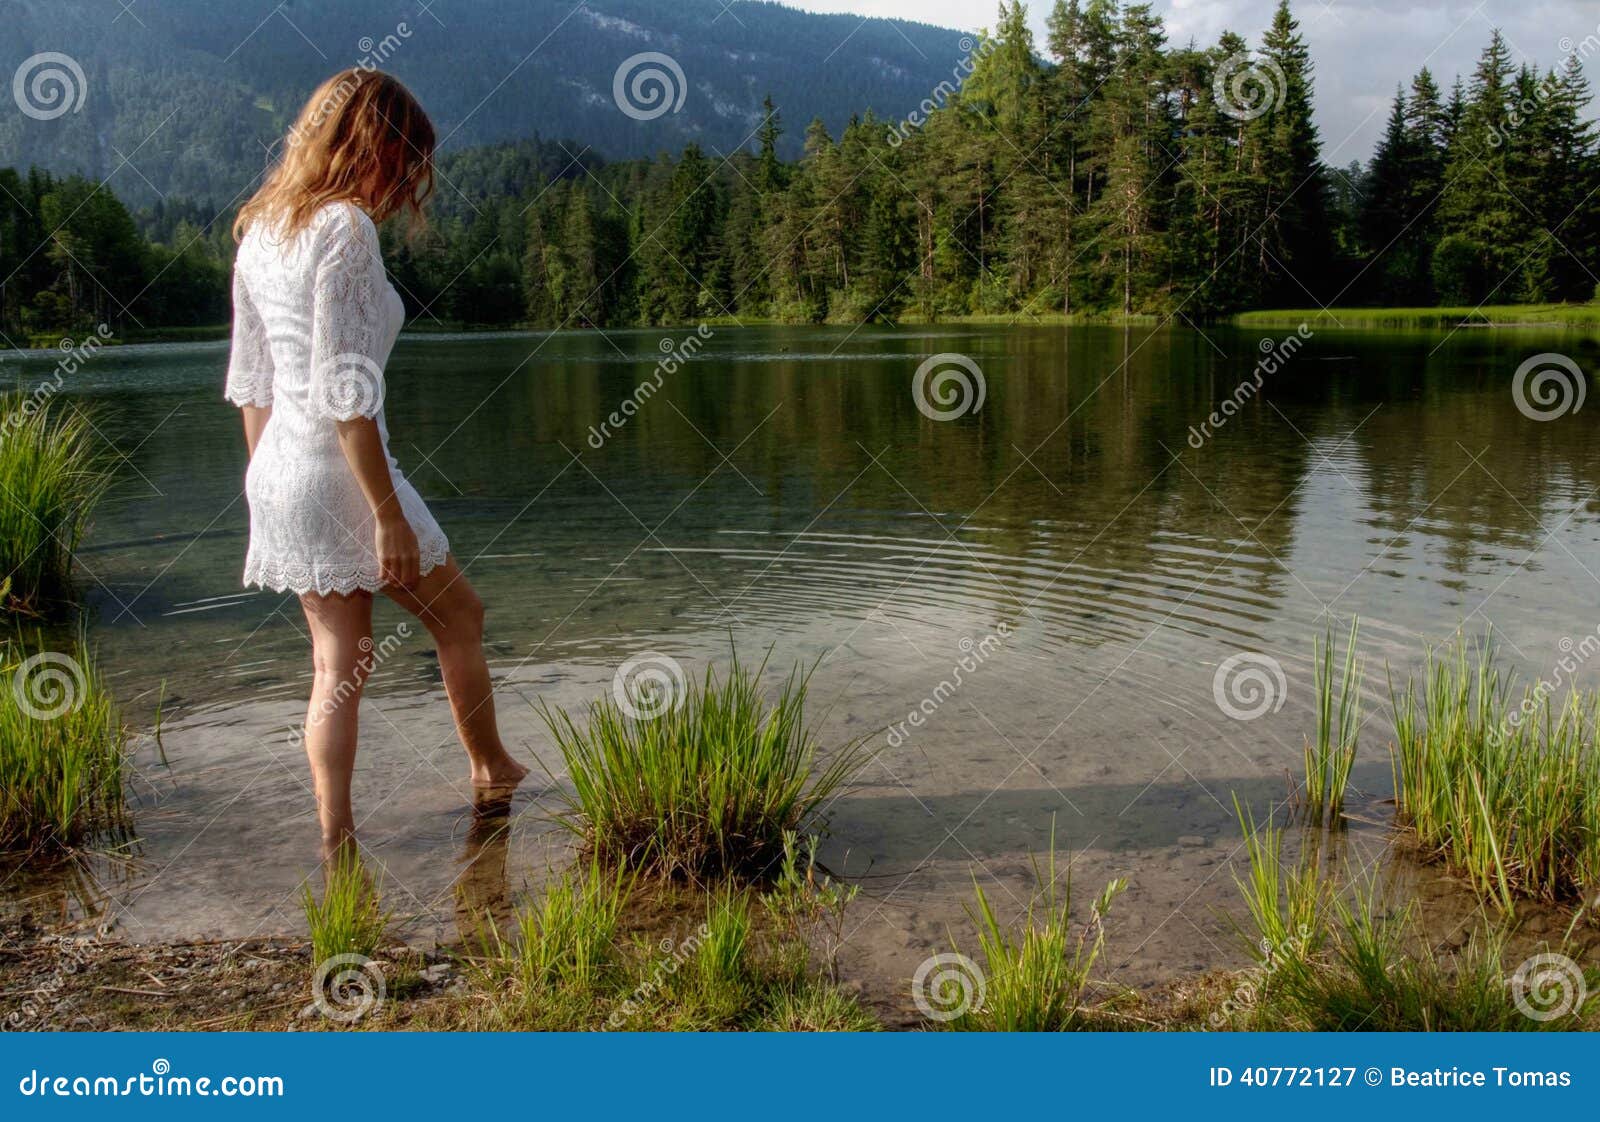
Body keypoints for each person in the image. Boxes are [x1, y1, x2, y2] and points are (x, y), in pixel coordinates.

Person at [225, 69, 526, 860]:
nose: (409, 179)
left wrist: (265, 487)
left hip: (281, 472)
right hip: (344, 473)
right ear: (374, 146)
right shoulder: (344, 228)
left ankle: (338, 840)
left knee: (336, 664)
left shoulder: (259, 231)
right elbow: (347, 397)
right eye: (407, 157)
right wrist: (386, 516)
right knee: (459, 617)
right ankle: (490, 769)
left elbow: (252, 384)